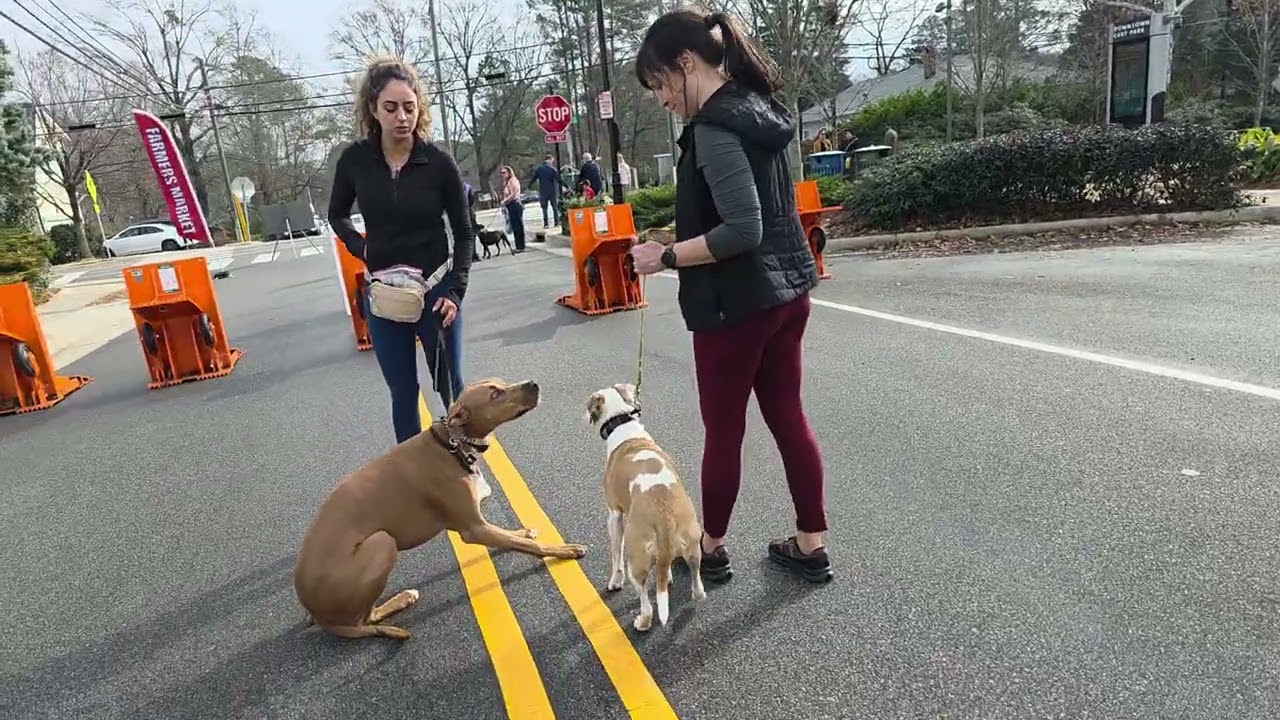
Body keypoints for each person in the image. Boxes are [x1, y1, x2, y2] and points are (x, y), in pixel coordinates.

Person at [628, 9, 831, 583]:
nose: (662, 100)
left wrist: (665, 256)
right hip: (787, 292)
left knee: (725, 430)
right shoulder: (759, 110)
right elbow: (750, 213)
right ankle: (810, 543)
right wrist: (675, 238)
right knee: (788, 417)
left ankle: (710, 549)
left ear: (686, 65)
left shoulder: (715, 128)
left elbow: (743, 229)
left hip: (735, 306)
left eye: (661, 84)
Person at [327, 57, 490, 500]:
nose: (402, 117)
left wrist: (455, 290)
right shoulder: (355, 161)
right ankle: (414, 484)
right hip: (385, 295)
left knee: (450, 387)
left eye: (410, 107)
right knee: (403, 391)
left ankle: (469, 470)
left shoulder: (436, 162)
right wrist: (363, 249)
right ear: (373, 110)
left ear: (421, 109)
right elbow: (336, 215)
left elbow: (463, 230)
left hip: (436, 287)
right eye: (391, 107)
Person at [529, 154, 566, 228]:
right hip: (552, 190)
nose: (552, 162)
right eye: (552, 161)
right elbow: (559, 180)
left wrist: (529, 186)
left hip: (543, 191)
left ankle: (546, 223)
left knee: (544, 208)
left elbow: (533, 178)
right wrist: (566, 186)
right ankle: (556, 222)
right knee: (554, 207)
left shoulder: (539, 169)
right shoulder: (552, 169)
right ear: (549, 160)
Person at [498, 165, 526, 254]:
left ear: (509, 172)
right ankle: (518, 245)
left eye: (504, 172)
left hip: (515, 204)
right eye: (501, 173)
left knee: (518, 225)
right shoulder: (506, 182)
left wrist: (505, 201)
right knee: (514, 225)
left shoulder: (513, 181)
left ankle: (521, 246)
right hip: (510, 205)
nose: (502, 174)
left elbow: (513, 194)